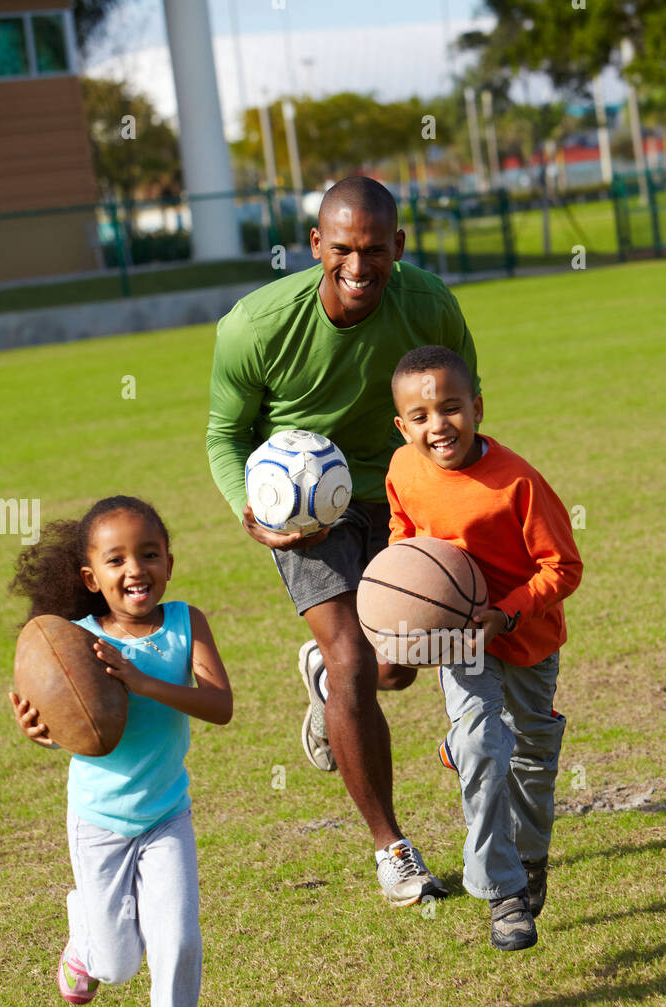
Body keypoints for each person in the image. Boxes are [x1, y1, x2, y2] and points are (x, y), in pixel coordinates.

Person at [206, 175, 479, 908]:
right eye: (344, 250)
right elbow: (225, 434)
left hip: (396, 488)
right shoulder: (255, 325)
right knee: (355, 656)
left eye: (375, 252)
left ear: (399, 245)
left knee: (400, 663)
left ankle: (329, 686)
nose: (359, 268)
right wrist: (249, 509)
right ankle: (393, 849)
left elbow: (464, 403)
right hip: (301, 507)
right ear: (316, 245)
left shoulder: (429, 305)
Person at [8, 495, 233, 1007]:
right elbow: (76, 729)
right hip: (99, 823)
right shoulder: (72, 641)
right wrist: (40, 733)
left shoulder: (188, 623)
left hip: (167, 815)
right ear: (92, 577)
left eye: (149, 554)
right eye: (117, 560)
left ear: (169, 562)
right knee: (116, 965)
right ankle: (84, 932)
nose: (136, 569)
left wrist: (143, 682)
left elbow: (221, 706)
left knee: (179, 938)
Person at [387, 345, 583, 950]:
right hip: (457, 638)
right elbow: (404, 539)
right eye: (419, 417)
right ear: (401, 426)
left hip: (527, 638)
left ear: (477, 406)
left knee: (529, 758)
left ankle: (531, 861)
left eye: (450, 409)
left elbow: (565, 567)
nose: (436, 426)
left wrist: (504, 614)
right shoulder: (402, 468)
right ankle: (502, 893)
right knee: (481, 742)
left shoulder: (517, 482)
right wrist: (403, 605)